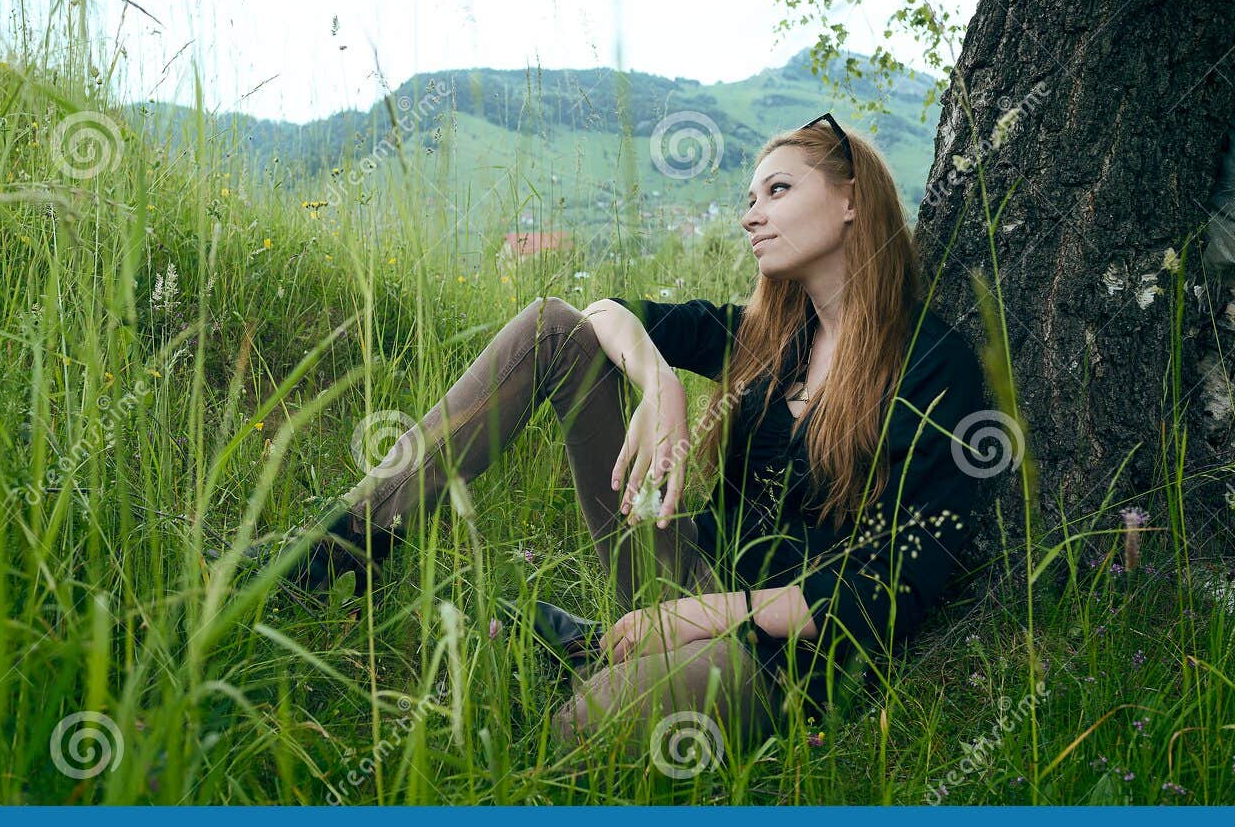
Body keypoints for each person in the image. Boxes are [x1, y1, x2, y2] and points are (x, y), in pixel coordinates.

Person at [272, 113, 992, 762]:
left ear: (851, 200)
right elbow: (603, 311)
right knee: (552, 329)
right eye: (748, 198)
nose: (751, 215)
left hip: (788, 646)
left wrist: (691, 617)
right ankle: (340, 547)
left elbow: (892, 586)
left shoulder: (932, 366)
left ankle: (580, 649)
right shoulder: (768, 336)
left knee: (584, 725)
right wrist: (660, 381)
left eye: (777, 191)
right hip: (685, 567)